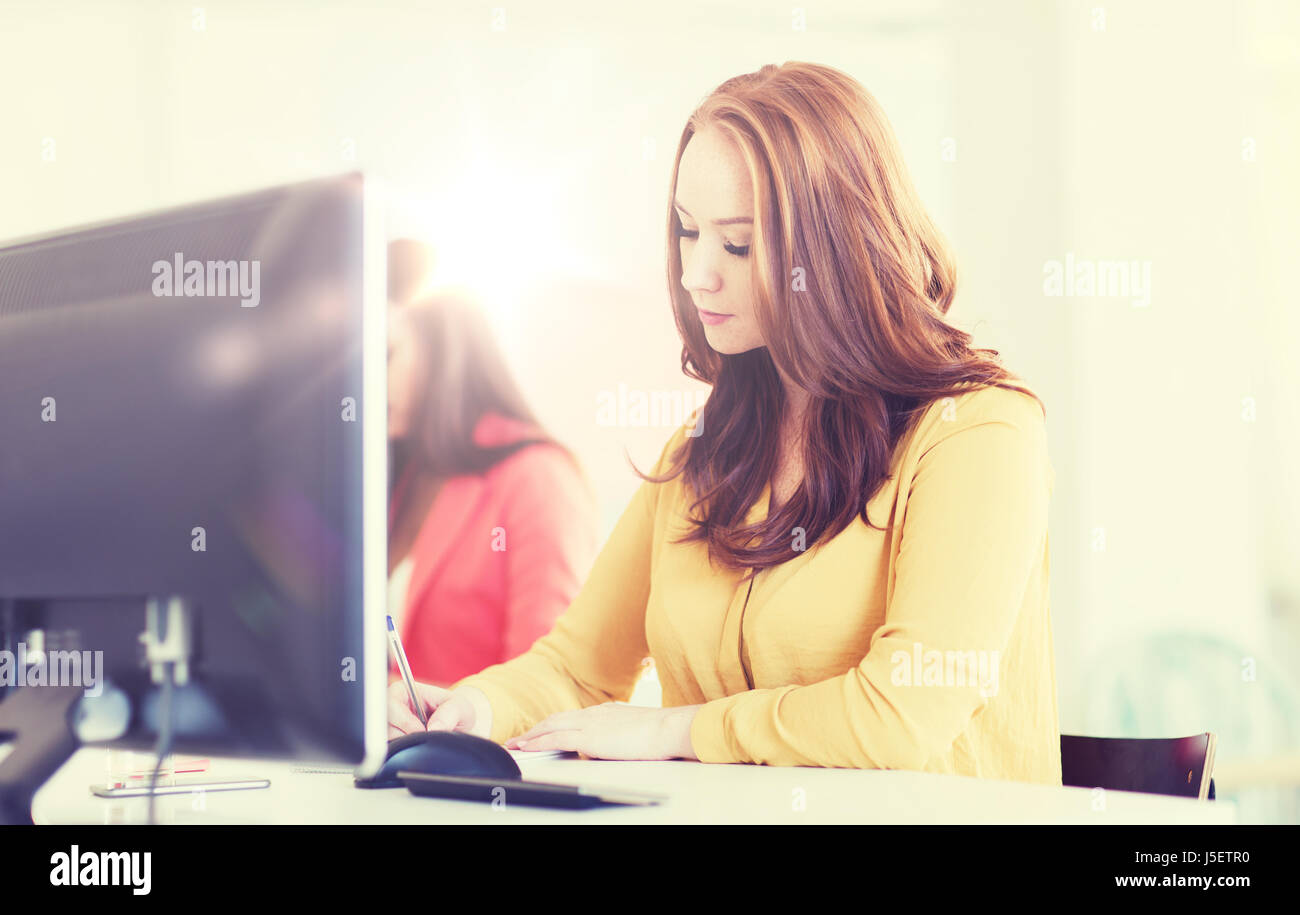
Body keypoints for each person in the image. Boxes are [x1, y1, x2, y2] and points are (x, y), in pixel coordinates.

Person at [389, 62, 1060, 783]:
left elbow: (901, 714)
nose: (695, 272)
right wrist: (476, 710)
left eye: (737, 244)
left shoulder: (979, 433)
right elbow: (578, 667)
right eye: (686, 231)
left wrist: (679, 728)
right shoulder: (706, 447)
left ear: (835, 248)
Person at [386, 240, 598, 686]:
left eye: (386, 356)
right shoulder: (396, 475)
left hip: (475, 753)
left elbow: (546, 682)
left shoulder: (538, 477)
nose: (363, 381)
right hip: (389, 754)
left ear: (444, 346)